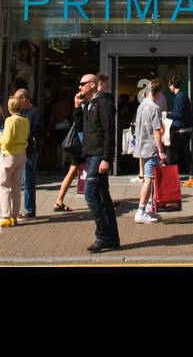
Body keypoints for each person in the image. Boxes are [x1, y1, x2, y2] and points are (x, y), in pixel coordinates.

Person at [80, 72, 120, 253]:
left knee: (91, 195)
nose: (80, 87)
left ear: (93, 85)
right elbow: (84, 128)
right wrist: (76, 107)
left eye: (83, 84)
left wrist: (106, 158)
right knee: (103, 197)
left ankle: (103, 236)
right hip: (91, 155)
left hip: (98, 156)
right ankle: (112, 237)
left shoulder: (103, 104)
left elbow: (109, 132)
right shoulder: (89, 104)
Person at [132, 78, 166, 223]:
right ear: (159, 92)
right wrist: (161, 151)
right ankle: (141, 211)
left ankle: (146, 209)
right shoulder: (155, 108)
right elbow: (157, 131)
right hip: (151, 147)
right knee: (148, 180)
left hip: (141, 146)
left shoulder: (142, 106)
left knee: (148, 178)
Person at [0, 94, 29, 228]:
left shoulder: (10, 120)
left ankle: (5, 216)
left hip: (9, 155)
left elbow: (7, 140)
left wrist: (1, 136)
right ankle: (14, 215)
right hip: (22, 154)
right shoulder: (25, 120)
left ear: (10, 107)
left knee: (3, 186)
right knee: (16, 186)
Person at [53, 85, 86, 211]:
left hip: (78, 144)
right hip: (82, 145)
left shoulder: (76, 107)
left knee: (72, 172)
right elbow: (79, 128)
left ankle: (59, 200)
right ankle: (59, 200)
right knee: (95, 172)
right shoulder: (82, 109)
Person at [15, 87, 43, 217]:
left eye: (17, 99)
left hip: (30, 150)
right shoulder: (21, 112)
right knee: (24, 179)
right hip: (22, 149)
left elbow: (38, 129)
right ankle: (28, 208)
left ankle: (30, 209)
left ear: (24, 98)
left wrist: (34, 138)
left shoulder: (34, 112)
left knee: (28, 179)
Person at [166, 75, 193, 185]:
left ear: (172, 85)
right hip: (185, 128)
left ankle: (171, 176)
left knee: (170, 150)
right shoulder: (182, 96)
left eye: (169, 85)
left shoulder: (179, 97)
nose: (169, 87)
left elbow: (179, 113)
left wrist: (169, 114)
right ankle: (192, 175)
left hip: (181, 129)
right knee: (185, 152)